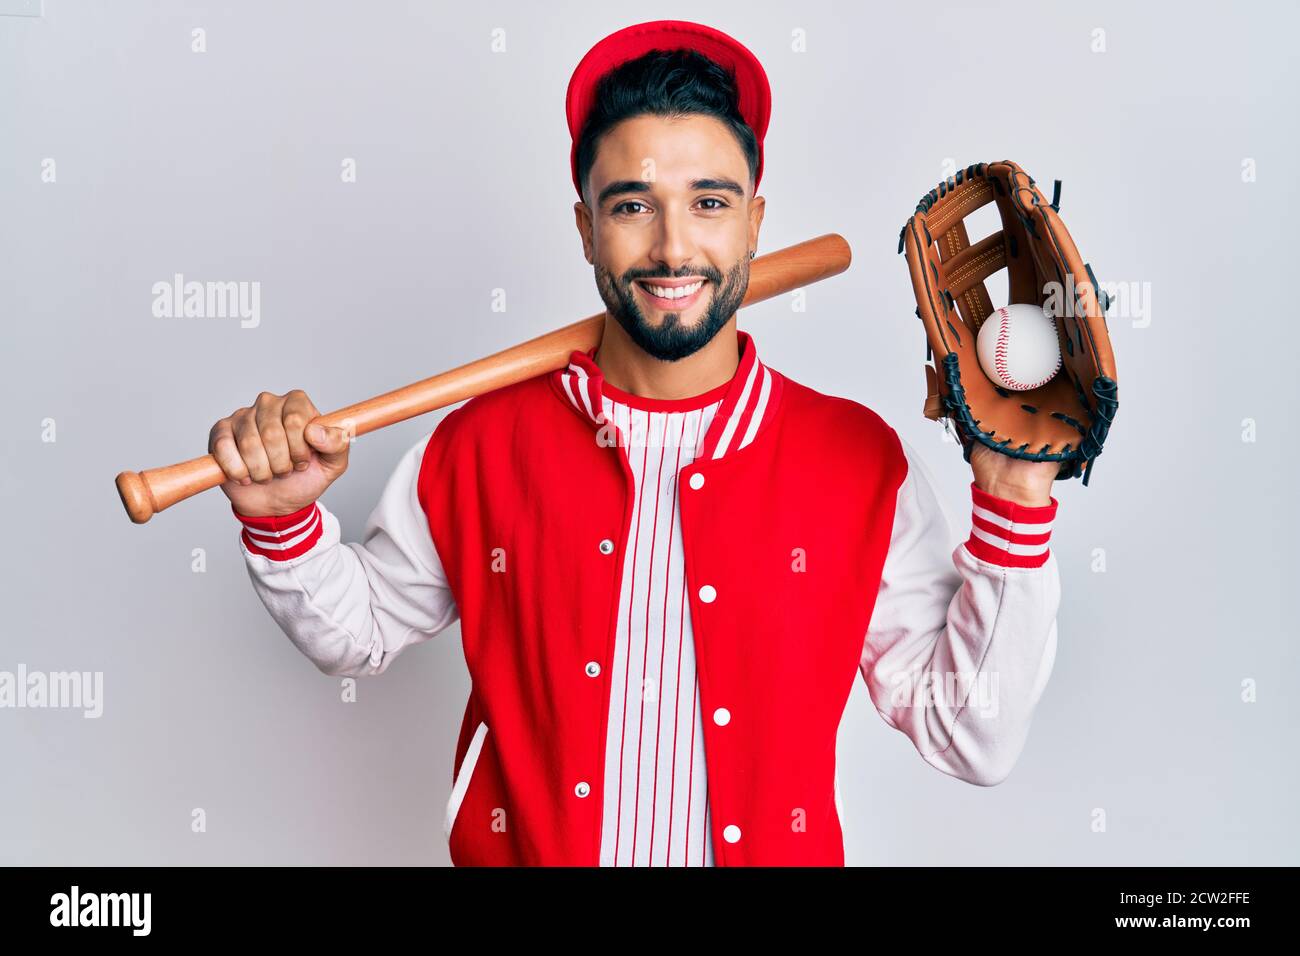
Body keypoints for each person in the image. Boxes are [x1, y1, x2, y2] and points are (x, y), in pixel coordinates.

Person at [208, 20, 1061, 867]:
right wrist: (282, 522)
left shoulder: (857, 461)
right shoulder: (479, 442)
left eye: (709, 202)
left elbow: (970, 738)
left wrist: (1016, 500)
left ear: (755, 222)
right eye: (632, 206)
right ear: (585, 228)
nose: (673, 246)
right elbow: (355, 634)